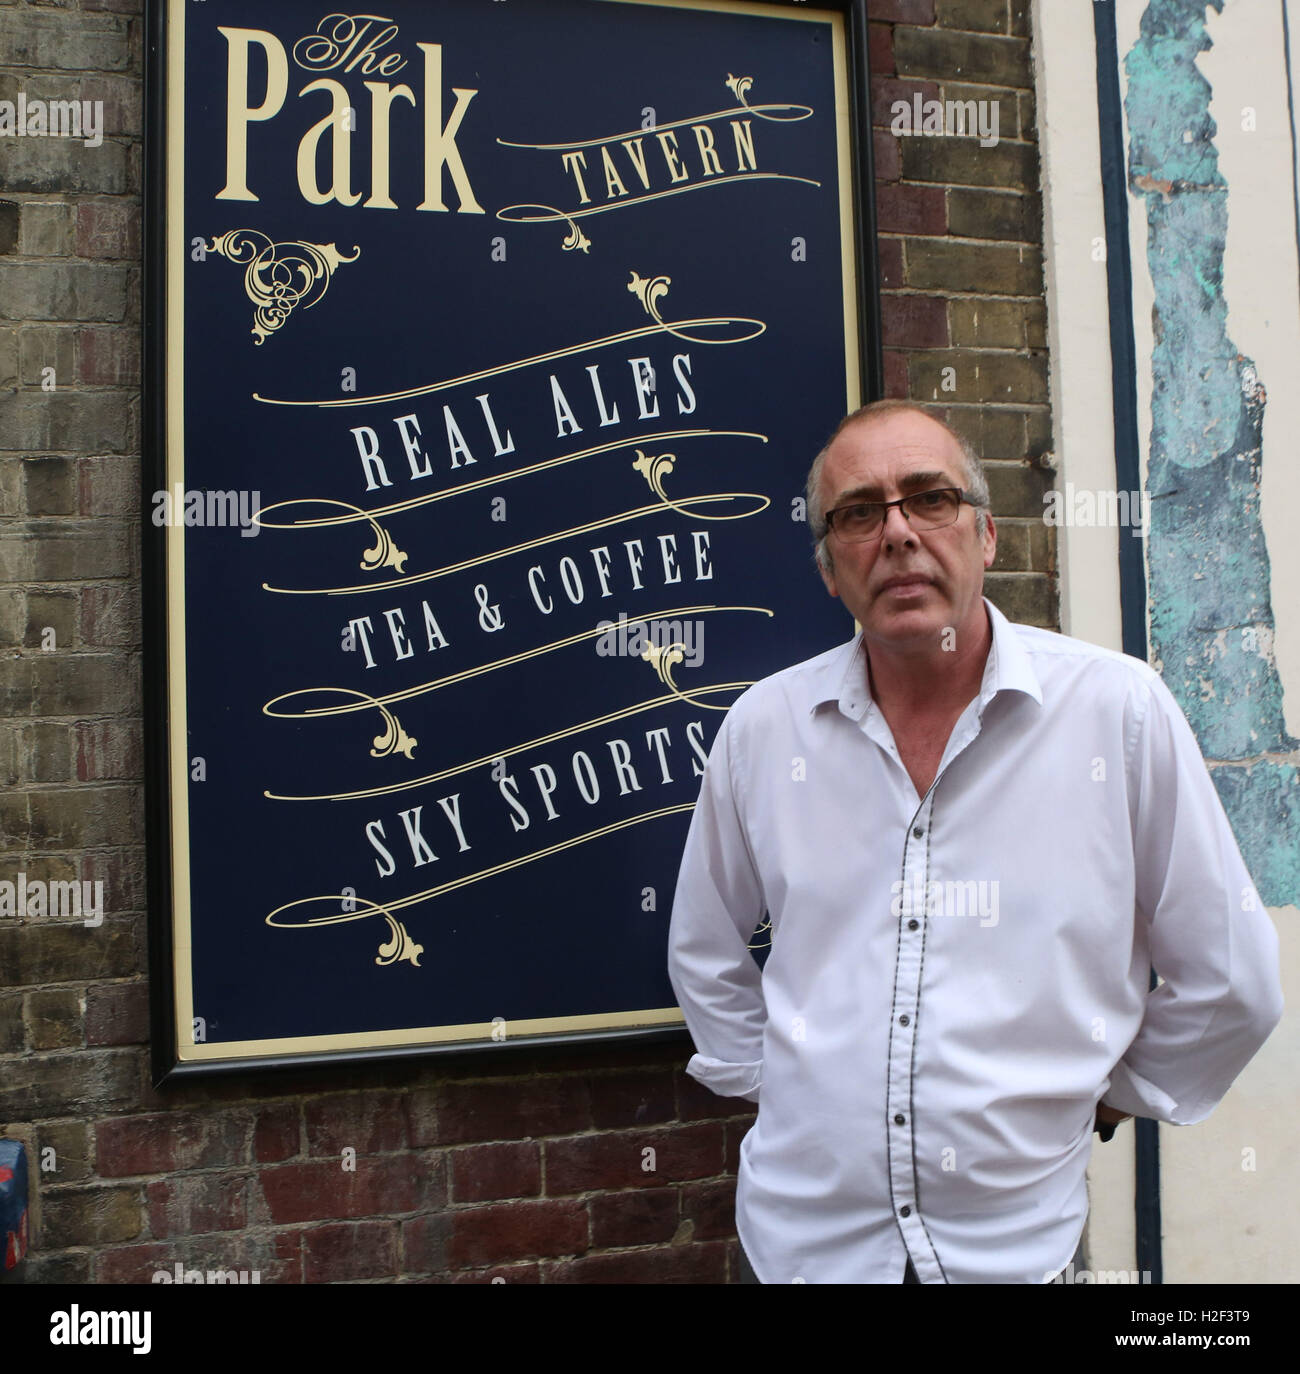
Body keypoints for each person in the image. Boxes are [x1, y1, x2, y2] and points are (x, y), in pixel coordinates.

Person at [666, 399, 1284, 1284]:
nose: (899, 534)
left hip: (1015, 1255)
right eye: (859, 513)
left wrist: (1105, 1099)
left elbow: (1233, 979)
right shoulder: (766, 730)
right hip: (807, 1251)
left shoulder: (1116, 714)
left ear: (987, 536)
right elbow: (705, 949)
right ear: (830, 569)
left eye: (930, 499)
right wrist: (797, 1090)